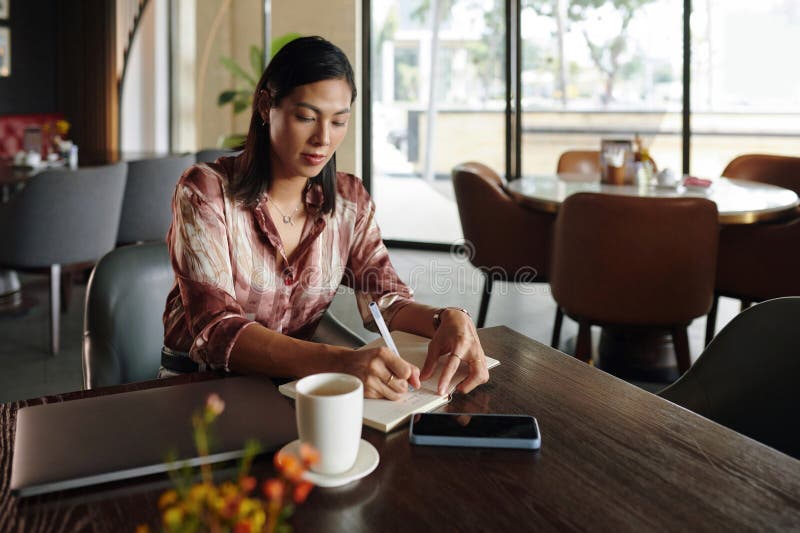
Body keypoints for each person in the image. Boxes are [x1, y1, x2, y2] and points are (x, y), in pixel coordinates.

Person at [162, 36, 488, 400]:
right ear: (266, 106)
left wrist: (445, 318)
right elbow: (215, 330)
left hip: (296, 387)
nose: (323, 138)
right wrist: (340, 363)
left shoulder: (349, 201)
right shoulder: (205, 192)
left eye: (338, 121)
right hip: (201, 391)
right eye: (306, 117)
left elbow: (385, 300)